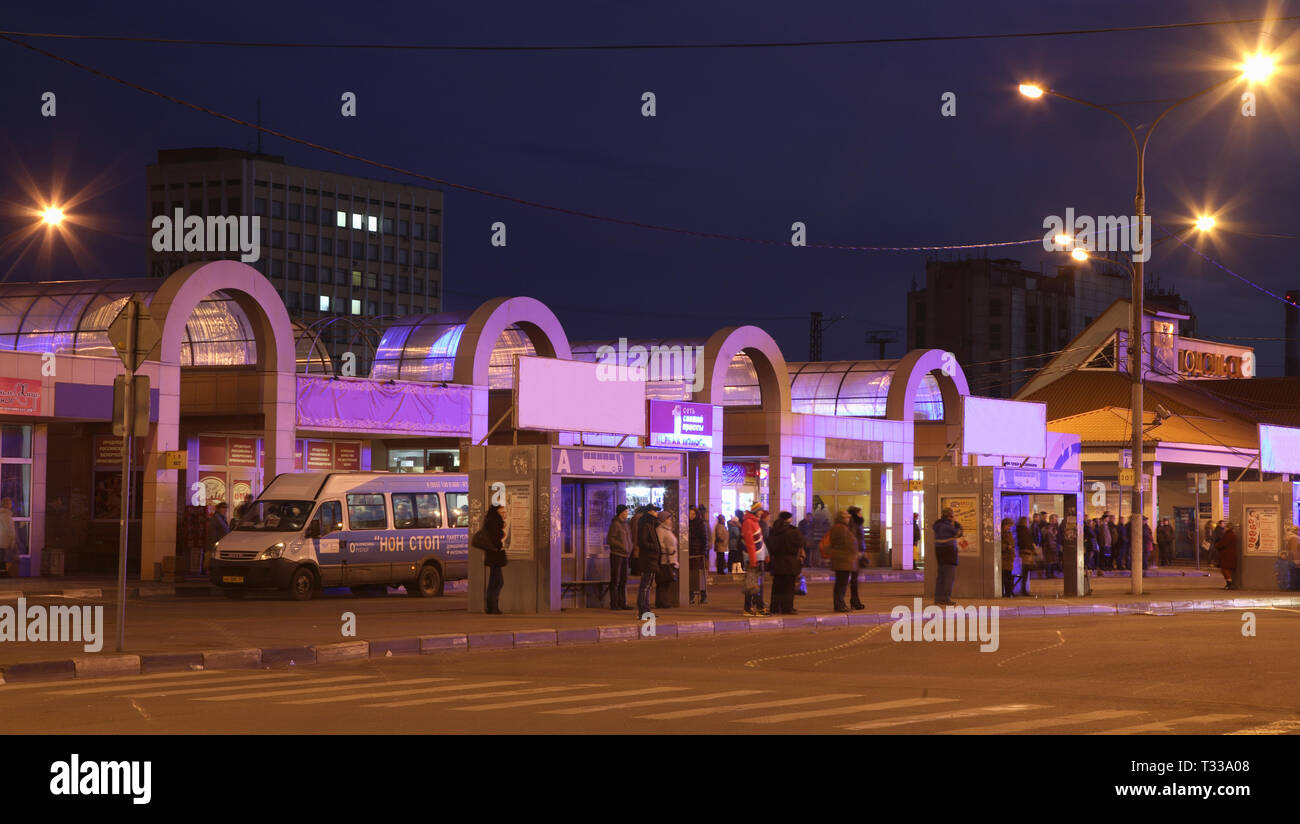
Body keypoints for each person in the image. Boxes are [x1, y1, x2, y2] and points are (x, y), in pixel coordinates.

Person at [471, 505, 508, 614]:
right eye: (501, 511)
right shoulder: (494, 522)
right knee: (498, 582)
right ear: (496, 512)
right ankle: (493, 607)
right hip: (494, 555)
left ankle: (491, 607)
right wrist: (502, 531)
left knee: (494, 581)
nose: (503, 514)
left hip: (492, 555)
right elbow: (496, 538)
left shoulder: (490, 521)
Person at [767, 512, 804, 614]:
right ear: (789, 519)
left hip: (777, 561)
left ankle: (774, 607)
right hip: (790, 562)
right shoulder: (793, 531)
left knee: (777, 586)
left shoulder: (773, 531)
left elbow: (769, 545)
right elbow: (800, 543)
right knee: (788, 586)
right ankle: (787, 607)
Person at [825, 510, 858, 612]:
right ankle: (840, 605)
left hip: (843, 560)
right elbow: (846, 543)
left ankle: (840, 604)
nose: (848, 519)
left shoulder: (841, 528)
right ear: (842, 519)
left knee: (841, 583)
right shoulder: (840, 528)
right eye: (846, 517)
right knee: (841, 584)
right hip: (842, 560)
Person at [741, 502, 769, 616]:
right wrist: (753, 560)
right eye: (760, 510)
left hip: (758, 557)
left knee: (753, 584)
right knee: (755, 585)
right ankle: (759, 608)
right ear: (755, 511)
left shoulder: (754, 522)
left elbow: (760, 541)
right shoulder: (748, 522)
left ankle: (749, 608)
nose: (761, 512)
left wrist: (766, 554)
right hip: (754, 558)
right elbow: (750, 543)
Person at [634, 504, 662, 615]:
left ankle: (646, 610)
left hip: (651, 558)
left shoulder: (651, 523)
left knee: (648, 586)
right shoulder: (646, 524)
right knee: (645, 586)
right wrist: (654, 547)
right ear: (650, 511)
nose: (657, 513)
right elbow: (642, 541)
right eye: (655, 511)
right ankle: (643, 611)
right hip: (648, 558)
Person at [932, 507, 962, 605]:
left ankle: (938, 598)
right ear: (950, 516)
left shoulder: (937, 524)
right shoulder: (947, 526)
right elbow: (959, 533)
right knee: (949, 576)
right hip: (949, 552)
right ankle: (946, 598)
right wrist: (957, 524)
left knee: (941, 575)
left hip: (939, 552)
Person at [606, 505, 633, 610]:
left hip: (625, 555)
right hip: (617, 555)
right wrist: (622, 546)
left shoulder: (626, 525)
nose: (627, 513)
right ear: (621, 513)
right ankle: (614, 603)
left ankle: (622, 602)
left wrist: (630, 547)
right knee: (615, 580)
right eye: (626, 512)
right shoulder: (615, 524)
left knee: (623, 580)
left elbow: (629, 538)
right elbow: (610, 539)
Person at [656, 511, 680, 608]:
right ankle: (661, 601)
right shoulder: (660, 530)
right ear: (663, 520)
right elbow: (660, 544)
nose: (670, 521)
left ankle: (664, 600)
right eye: (668, 519)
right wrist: (668, 550)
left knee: (667, 581)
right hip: (665, 560)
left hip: (671, 559)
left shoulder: (668, 530)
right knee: (663, 581)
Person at [845, 506, 866, 610]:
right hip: (854, 554)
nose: (861, 514)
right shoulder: (853, 523)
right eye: (859, 512)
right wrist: (859, 551)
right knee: (853, 579)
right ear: (855, 513)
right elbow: (854, 538)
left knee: (855, 580)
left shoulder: (857, 523)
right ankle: (854, 601)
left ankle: (855, 600)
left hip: (857, 553)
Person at [688, 506, 708, 605]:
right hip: (689, 552)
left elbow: (704, 538)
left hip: (697, 552)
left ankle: (703, 594)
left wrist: (703, 551)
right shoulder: (686, 523)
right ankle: (690, 595)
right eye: (689, 514)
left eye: (693, 514)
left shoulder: (700, 524)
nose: (691, 516)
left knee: (699, 574)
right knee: (690, 575)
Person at [206, 501, 231, 574]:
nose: (225, 509)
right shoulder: (216, 518)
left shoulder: (222, 518)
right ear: (219, 509)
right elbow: (212, 533)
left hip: (222, 544)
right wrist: (213, 544)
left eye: (226, 508)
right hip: (217, 544)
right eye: (223, 508)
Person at [1015, 515, 1036, 595]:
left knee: (1025, 572)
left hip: (1024, 553)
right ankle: (1023, 590)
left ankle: (1023, 589)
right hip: (1026, 553)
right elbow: (1027, 542)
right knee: (1025, 572)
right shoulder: (1024, 531)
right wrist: (1032, 549)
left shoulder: (1020, 530)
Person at [1215, 521, 1238, 589]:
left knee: (1225, 569)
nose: (1224, 528)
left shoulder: (1228, 535)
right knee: (1225, 569)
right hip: (1228, 554)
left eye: (1225, 527)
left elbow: (1223, 543)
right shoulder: (1231, 534)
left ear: (1228, 528)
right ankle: (1228, 583)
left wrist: (1217, 545)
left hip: (1226, 554)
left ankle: (1229, 583)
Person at [1000, 518, 1017, 597]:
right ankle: (1006, 593)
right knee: (1005, 577)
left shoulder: (1008, 533)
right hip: (1004, 558)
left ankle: (1008, 592)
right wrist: (1006, 547)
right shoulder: (1001, 534)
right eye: (1008, 526)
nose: (1009, 527)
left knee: (1008, 577)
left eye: (1010, 526)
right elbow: (998, 545)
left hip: (1009, 559)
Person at [0, 498, 16, 578]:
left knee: (2, 557)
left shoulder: (1, 514)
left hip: (1, 540)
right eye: (9, 503)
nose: (11, 505)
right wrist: (12, 541)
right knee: (4, 558)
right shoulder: (6, 515)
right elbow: (10, 530)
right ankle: (4, 574)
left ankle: (3, 572)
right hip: (5, 541)